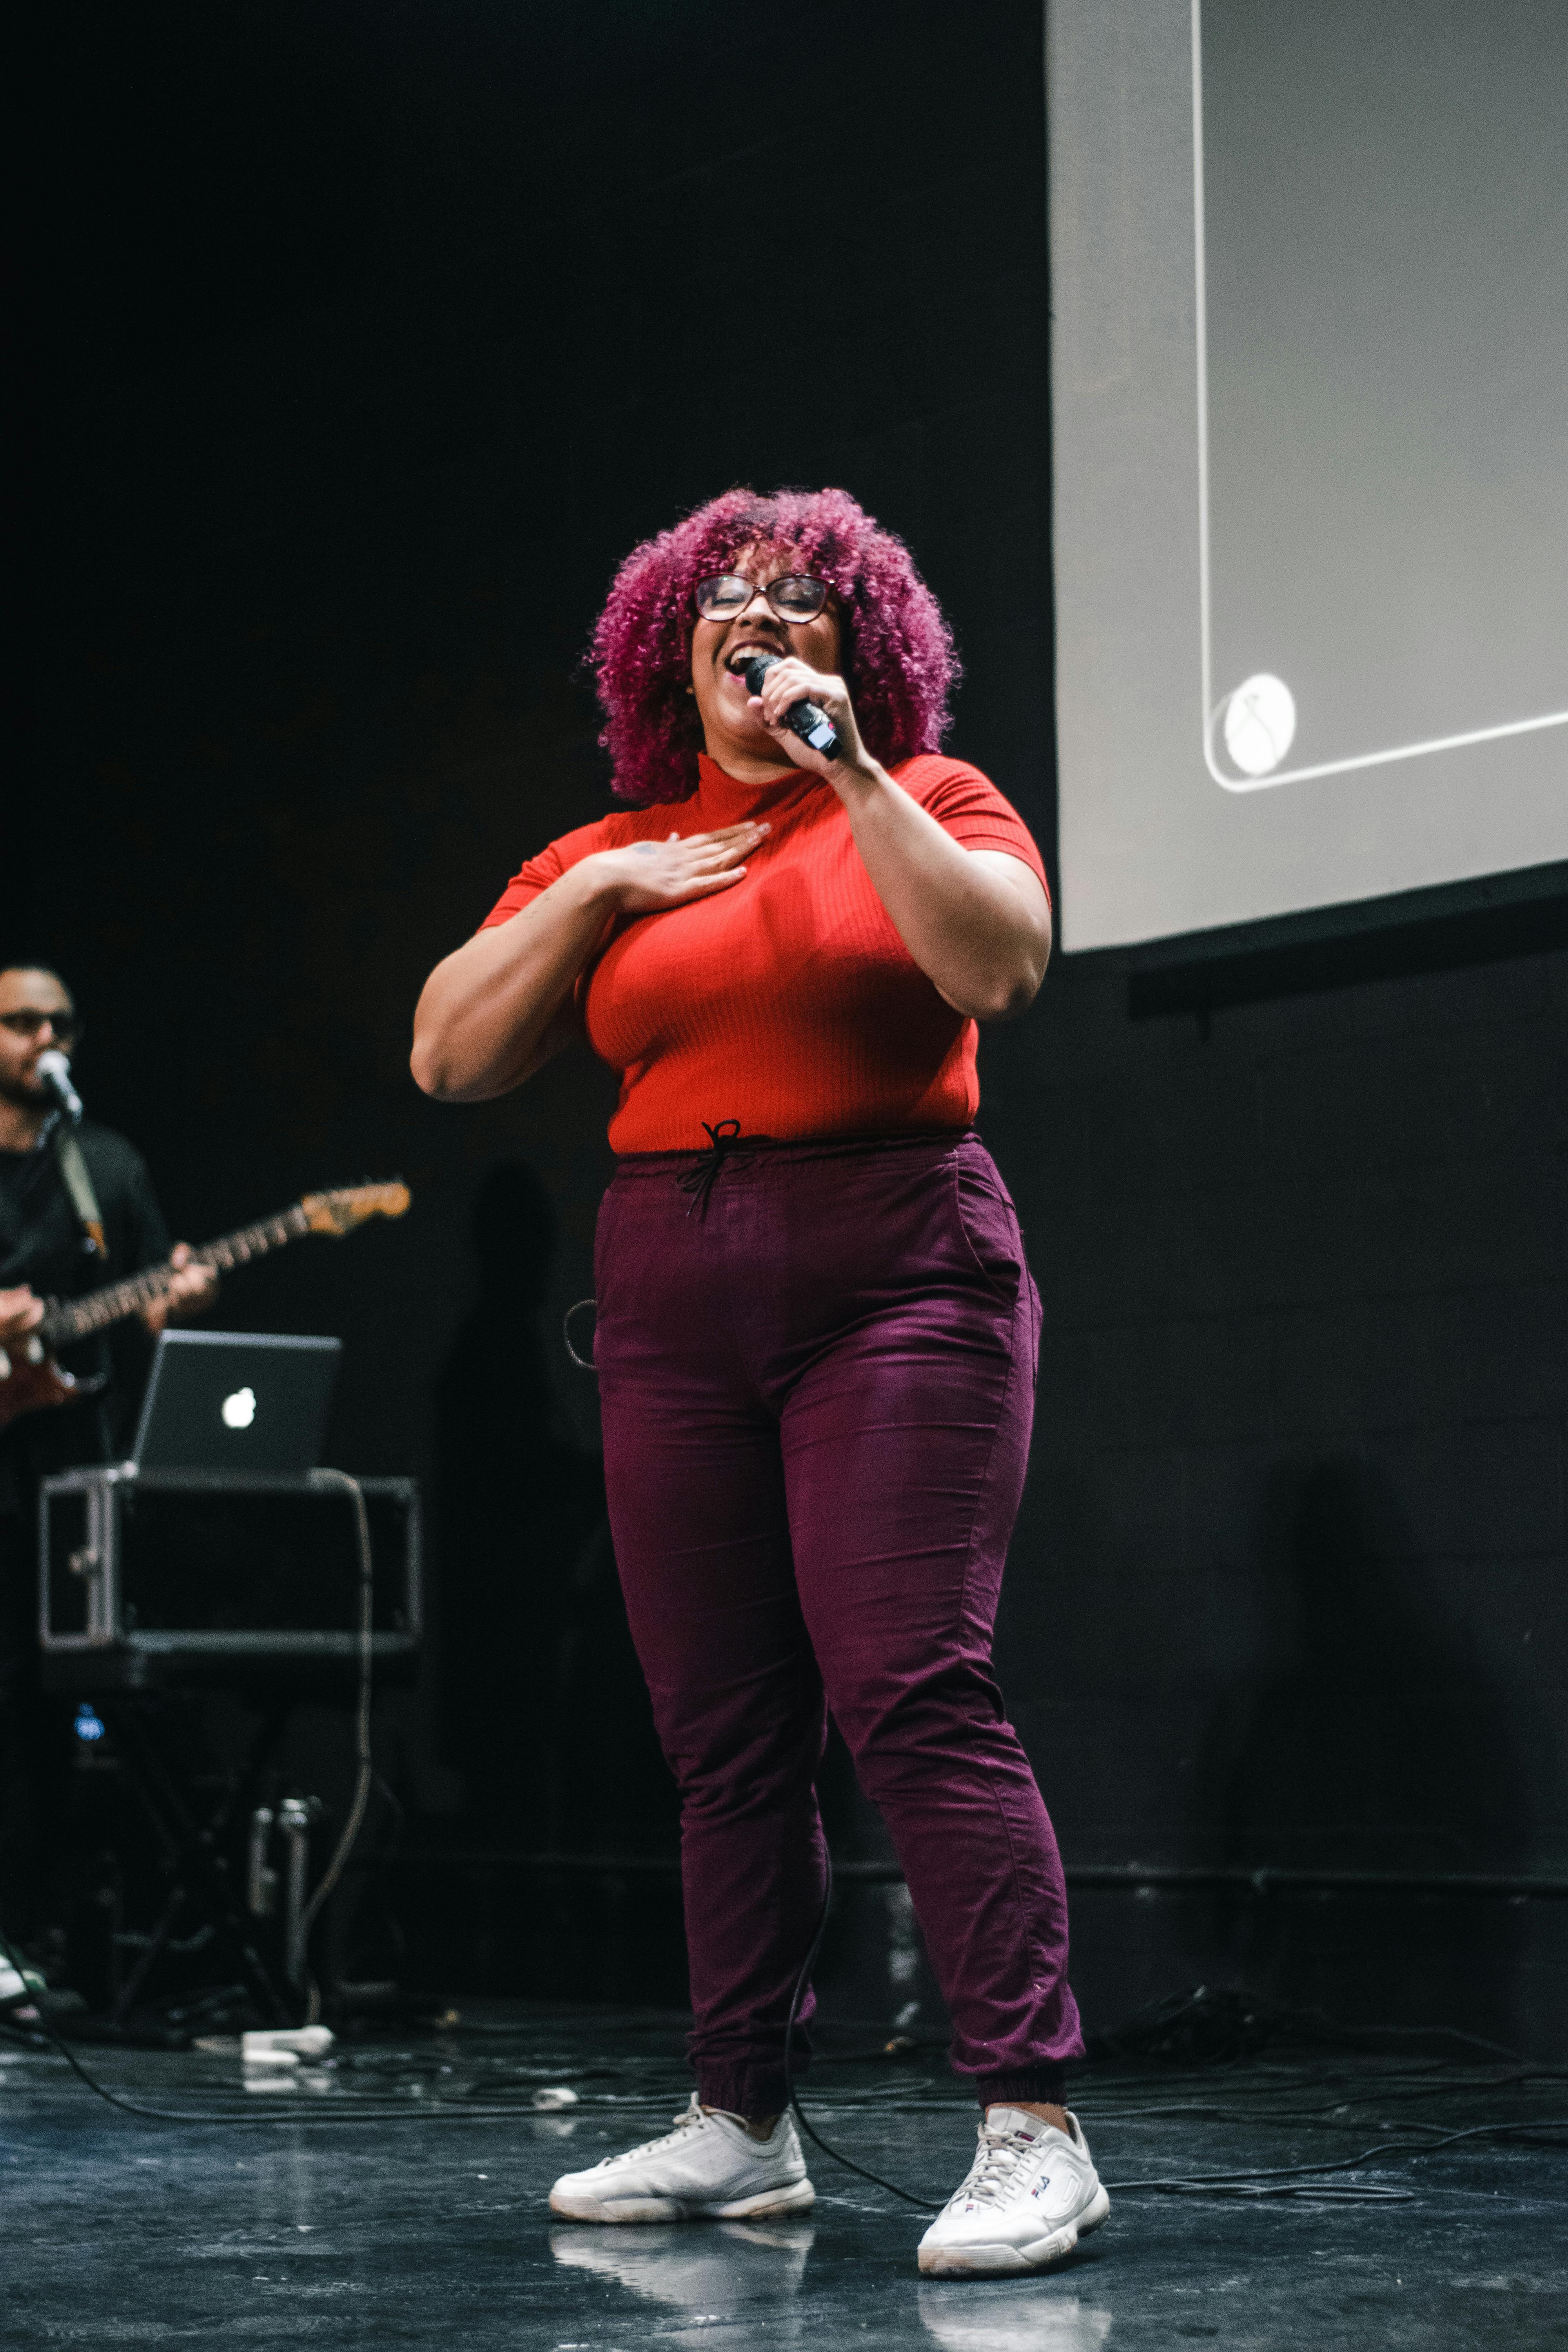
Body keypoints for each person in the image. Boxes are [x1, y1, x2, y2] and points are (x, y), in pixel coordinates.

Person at [412, 488, 1106, 2276]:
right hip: (669, 1295)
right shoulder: (609, 846)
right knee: (719, 1729)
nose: (757, 620)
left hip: (894, 1276)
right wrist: (596, 895)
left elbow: (1000, 964)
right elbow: (447, 1052)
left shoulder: (932, 798)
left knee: (906, 1683)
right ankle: (743, 2117)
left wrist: (852, 773)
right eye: (723, 604)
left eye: (796, 605)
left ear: (854, 648)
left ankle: (1032, 2123)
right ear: (666, 653)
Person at [0, 962, 217, 1941]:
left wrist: (181, 1298)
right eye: (21, 1023)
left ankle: (33, 1935)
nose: (46, 1041)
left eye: (61, 1025)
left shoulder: (107, 1165)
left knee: (44, 1703)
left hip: (62, 1476)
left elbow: (155, 1308)